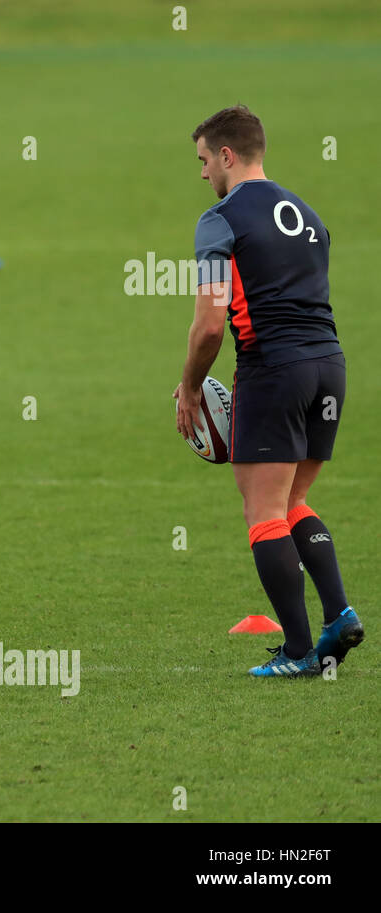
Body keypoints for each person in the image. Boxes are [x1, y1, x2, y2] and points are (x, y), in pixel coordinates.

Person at [175, 105, 363, 678]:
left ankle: (300, 652)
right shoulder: (308, 215)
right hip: (329, 367)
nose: (203, 173)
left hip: (273, 370)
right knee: (290, 502)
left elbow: (210, 324)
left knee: (261, 510)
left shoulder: (220, 220)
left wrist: (188, 388)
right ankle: (339, 616)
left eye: (204, 160)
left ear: (227, 155)